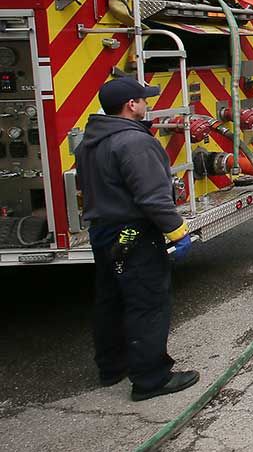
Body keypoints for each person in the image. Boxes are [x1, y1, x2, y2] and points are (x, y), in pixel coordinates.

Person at [75, 77, 199, 402]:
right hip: (134, 233)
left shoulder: (90, 141)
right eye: (143, 99)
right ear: (132, 105)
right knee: (147, 302)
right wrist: (178, 231)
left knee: (110, 298)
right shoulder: (134, 142)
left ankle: (112, 367)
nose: (147, 104)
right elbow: (153, 198)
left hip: (103, 231)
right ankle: (150, 378)